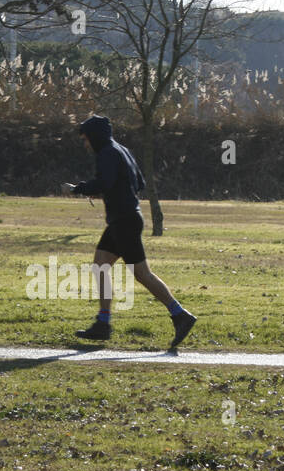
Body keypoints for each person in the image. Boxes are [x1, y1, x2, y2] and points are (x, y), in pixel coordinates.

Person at [63, 115, 196, 348]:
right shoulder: (121, 150)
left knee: (142, 273)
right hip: (123, 219)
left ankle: (180, 315)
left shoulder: (106, 153)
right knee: (101, 264)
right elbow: (137, 183)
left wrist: (78, 189)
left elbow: (104, 182)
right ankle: (102, 324)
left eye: (85, 139)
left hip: (124, 220)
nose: (85, 144)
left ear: (94, 137)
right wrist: (110, 192)